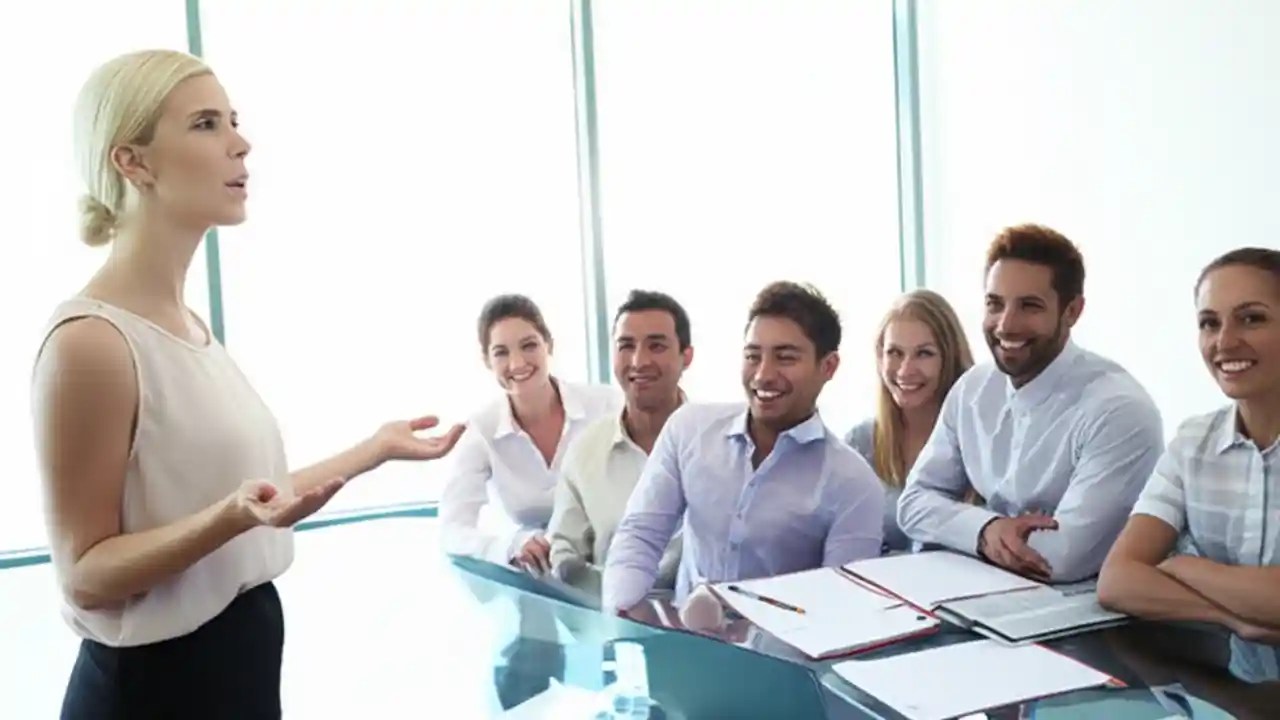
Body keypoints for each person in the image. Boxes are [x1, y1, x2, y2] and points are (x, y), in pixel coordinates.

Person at [33, 50, 465, 720]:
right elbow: (85, 573)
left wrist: (373, 449)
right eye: (207, 124)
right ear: (133, 162)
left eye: (231, 120)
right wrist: (230, 517)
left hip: (233, 674)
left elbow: (254, 499)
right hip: (154, 695)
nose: (241, 142)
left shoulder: (188, 328)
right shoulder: (91, 344)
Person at [897, 224, 1164, 582]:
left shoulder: (1118, 410)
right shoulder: (973, 389)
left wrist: (960, 528)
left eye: (1029, 306)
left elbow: (1061, 558)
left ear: (1072, 312)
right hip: (983, 593)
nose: (1006, 325)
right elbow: (913, 504)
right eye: (995, 304)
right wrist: (987, 529)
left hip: (1088, 616)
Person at [602, 281, 885, 613]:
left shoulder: (853, 483)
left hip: (782, 655)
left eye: (785, 358)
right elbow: (640, 536)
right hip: (685, 647)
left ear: (828, 367)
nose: (764, 374)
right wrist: (620, 618)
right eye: (753, 356)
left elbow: (842, 606)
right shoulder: (689, 428)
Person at [1099, 247, 1280, 684]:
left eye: (1251, 318)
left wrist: (1183, 567)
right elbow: (1117, 580)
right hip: (1248, 693)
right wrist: (1233, 617)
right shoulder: (1193, 442)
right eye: (1209, 323)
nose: (1225, 341)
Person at [440, 294, 621, 574]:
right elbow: (452, 530)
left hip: (615, 563)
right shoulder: (482, 432)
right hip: (540, 577)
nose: (517, 363)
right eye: (501, 352)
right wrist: (511, 545)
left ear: (548, 345)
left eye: (529, 346)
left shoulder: (605, 405)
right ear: (487, 360)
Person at [547, 290, 691, 596]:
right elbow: (564, 553)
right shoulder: (586, 452)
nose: (639, 361)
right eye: (626, 346)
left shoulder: (722, 447)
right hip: (616, 625)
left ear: (686, 356)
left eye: (657, 346)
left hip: (709, 631)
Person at [844, 289, 975, 553]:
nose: (905, 370)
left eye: (924, 353)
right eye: (895, 353)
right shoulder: (859, 444)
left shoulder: (982, 440)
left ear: (949, 358)